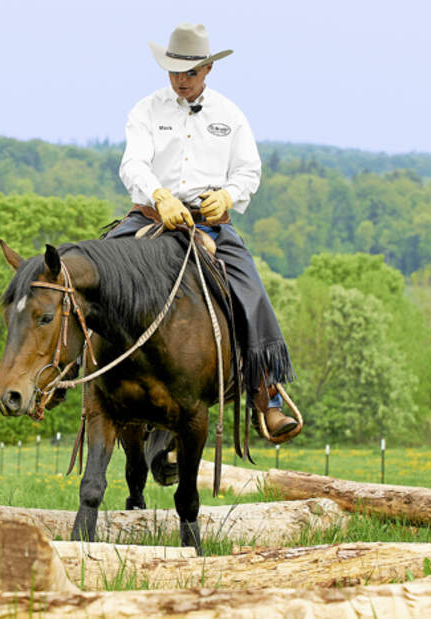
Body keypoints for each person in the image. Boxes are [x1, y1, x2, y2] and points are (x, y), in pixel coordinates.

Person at [107, 22, 299, 441]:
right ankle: (81, 379)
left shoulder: (230, 116)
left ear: (208, 70)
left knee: (250, 289)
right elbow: (132, 164)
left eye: (189, 73)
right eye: (173, 72)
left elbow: (249, 170)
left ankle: (266, 395)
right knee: (94, 272)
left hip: (210, 222)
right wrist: (159, 195)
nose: (180, 80)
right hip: (153, 216)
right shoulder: (145, 110)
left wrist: (228, 197)